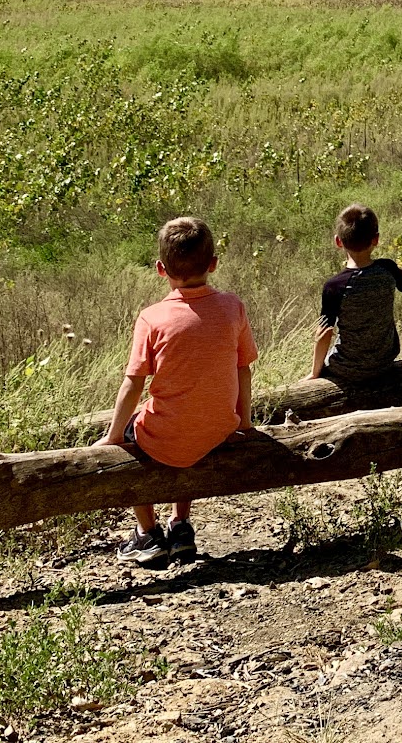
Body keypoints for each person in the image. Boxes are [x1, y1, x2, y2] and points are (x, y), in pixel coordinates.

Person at [101, 216, 258, 566]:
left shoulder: (152, 317)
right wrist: (244, 423)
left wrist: (112, 437)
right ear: (214, 264)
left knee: (130, 437)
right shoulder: (233, 307)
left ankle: (148, 533)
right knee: (190, 417)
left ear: (160, 268)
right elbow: (243, 368)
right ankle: (181, 524)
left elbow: (134, 381)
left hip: (170, 435)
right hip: (219, 429)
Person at [311, 203, 402, 383]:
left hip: (347, 368)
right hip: (384, 362)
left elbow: (325, 331)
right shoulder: (387, 268)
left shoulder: (334, 286)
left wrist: (314, 373)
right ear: (376, 239)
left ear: (338, 241)